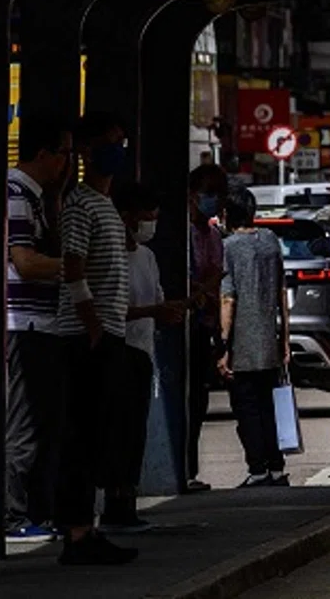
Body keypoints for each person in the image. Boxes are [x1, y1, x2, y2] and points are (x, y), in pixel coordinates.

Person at [54, 140, 136, 565]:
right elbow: (72, 263)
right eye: (111, 143)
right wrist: (91, 323)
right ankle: (77, 532)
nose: (118, 152)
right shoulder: (80, 204)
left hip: (108, 331)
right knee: (83, 434)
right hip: (88, 335)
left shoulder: (106, 204)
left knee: (101, 433)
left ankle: (88, 526)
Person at [4, 115, 72, 544]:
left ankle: (34, 511)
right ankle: (12, 515)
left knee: (44, 423)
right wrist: (76, 270)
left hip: (41, 324)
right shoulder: (15, 195)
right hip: (23, 323)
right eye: (65, 153)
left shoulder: (38, 197)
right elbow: (25, 263)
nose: (69, 163)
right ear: (44, 154)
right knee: (24, 425)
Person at [104, 183, 185, 533]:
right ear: (125, 217)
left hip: (141, 351)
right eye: (146, 215)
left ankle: (127, 502)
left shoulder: (147, 257)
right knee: (115, 433)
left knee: (134, 432)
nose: (152, 222)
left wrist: (169, 310)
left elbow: (157, 299)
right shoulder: (109, 255)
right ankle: (112, 505)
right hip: (115, 350)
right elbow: (112, 308)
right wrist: (155, 310)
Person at [220, 186, 291, 488]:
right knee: (269, 404)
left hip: (243, 343)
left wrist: (224, 346)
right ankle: (276, 466)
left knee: (247, 408)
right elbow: (280, 293)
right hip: (269, 340)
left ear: (227, 214)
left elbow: (228, 299)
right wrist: (284, 339)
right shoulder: (271, 241)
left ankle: (258, 468)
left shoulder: (230, 247)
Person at [186, 163, 227, 492]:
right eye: (207, 194)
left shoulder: (213, 234)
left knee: (198, 398)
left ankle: (189, 468)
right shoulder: (181, 231)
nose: (212, 201)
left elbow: (217, 275)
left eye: (218, 195)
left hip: (204, 323)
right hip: (182, 324)